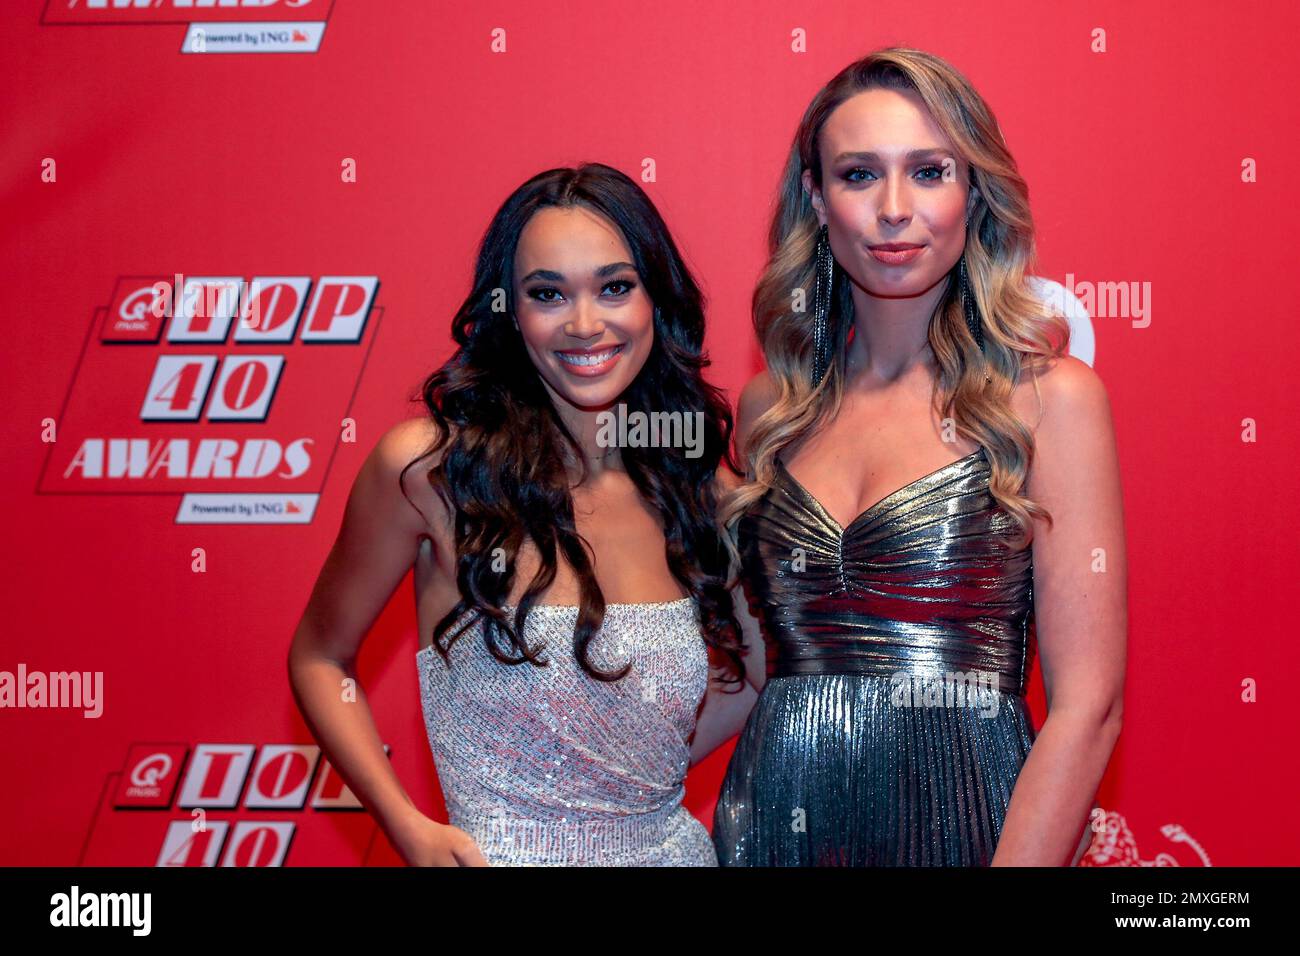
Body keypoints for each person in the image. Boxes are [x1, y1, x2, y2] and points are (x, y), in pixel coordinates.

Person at [710, 48, 1127, 866]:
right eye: (859, 175)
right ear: (816, 199)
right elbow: (758, 667)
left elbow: (1091, 706)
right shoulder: (772, 409)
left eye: (929, 172)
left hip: (972, 832)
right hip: (772, 827)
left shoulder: (1051, 401)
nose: (894, 209)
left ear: (974, 193)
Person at [288, 163, 747, 866]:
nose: (586, 323)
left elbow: (762, 666)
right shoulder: (432, 473)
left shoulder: (693, 489)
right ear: (510, 310)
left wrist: (637, 780)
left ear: (658, 300)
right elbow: (320, 656)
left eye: (616, 287)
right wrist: (407, 827)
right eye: (548, 293)